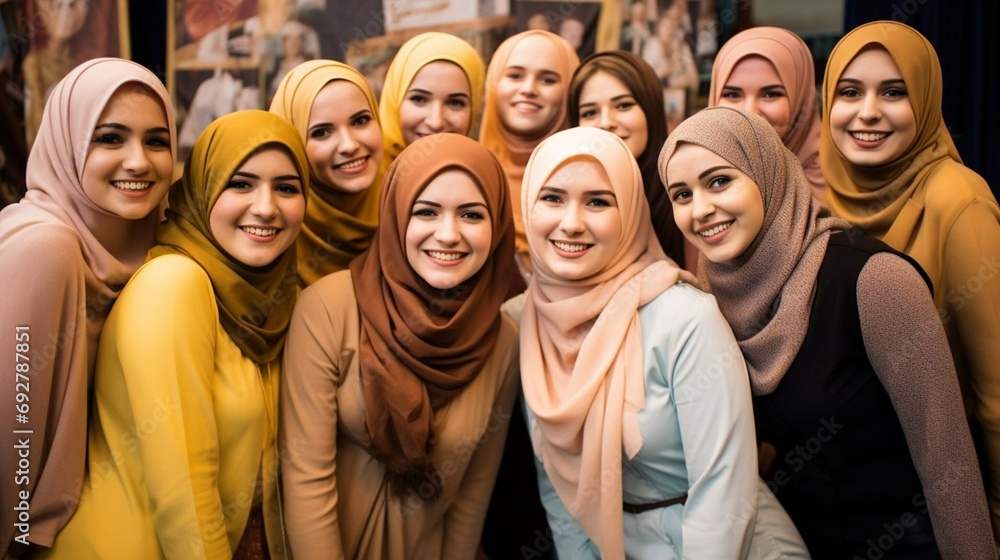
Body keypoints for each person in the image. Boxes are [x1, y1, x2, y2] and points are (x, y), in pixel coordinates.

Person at [660, 106, 994, 558]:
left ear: (767, 173)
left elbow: (947, 461)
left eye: (720, 181)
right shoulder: (714, 297)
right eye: (682, 194)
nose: (700, 209)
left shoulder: (874, 280)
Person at [520, 125, 808, 559]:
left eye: (598, 201)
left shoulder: (684, 318)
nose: (572, 223)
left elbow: (723, 494)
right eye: (552, 198)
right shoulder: (534, 318)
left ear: (631, 212)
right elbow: (558, 486)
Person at [35, 110, 308, 559]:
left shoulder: (272, 301)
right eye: (240, 184)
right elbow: (186, 492)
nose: (266, 207)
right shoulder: (175, 284)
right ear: (202, 190)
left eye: (287, 188)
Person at [280, 133, 520, 560]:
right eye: (426, 211)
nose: (448, 234)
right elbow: (306, 479)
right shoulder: (329, 308)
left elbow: (471, 498)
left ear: (498, 224)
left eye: (471, 214)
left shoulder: (503, 341)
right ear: (396, 214)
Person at [821, 21, 1000, 549]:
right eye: (849, 92)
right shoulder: (823, 200)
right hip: (845, 500)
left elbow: (994, 391)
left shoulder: (959, 201)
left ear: (925, 100)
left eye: (894, 92)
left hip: (936, 500)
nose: (868, 112)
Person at [0, 58, 175, 558]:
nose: (138, 162)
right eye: (110, 139)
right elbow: (13, 432)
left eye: (156, 141)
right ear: (68, 144)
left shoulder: (154, 248)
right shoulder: (44, 248)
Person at [568, 49, 687, 268]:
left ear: (651, 110)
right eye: (589, 113)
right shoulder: (566, 197)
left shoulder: (684, 193)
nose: (606, 123)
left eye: (623, 105)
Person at [479, 29, 579, 285]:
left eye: (547, 80)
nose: (528, 89)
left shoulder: (597, 179)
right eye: (514, 75)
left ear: (569, 91)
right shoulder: (468, 178)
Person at [270, 59, 384, 284]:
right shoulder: (269, 226)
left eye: (360, 121)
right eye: (321, 133)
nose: (349, 145)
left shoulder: (413, 202)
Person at [710, 26, 825, 200]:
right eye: (732, 95)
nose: (749, 112)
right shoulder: (691, 178)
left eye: (771, 94)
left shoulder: (837, 187)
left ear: (801, 99)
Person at [378, 32, 485, 167]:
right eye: (419, 99)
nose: (436, 123)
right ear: (394, 99)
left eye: (455, 103)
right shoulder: (365, 175)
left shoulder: (484, 173)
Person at [641, 6, 698, 94]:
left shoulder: (682, 47)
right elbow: (645, 77)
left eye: (671, 26)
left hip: (679, 95)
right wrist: (663, 74)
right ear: (658, 28)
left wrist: (678, 80)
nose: (668, 30)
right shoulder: (653, 45)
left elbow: (693, 79)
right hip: (656, 94)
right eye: (664, 26)